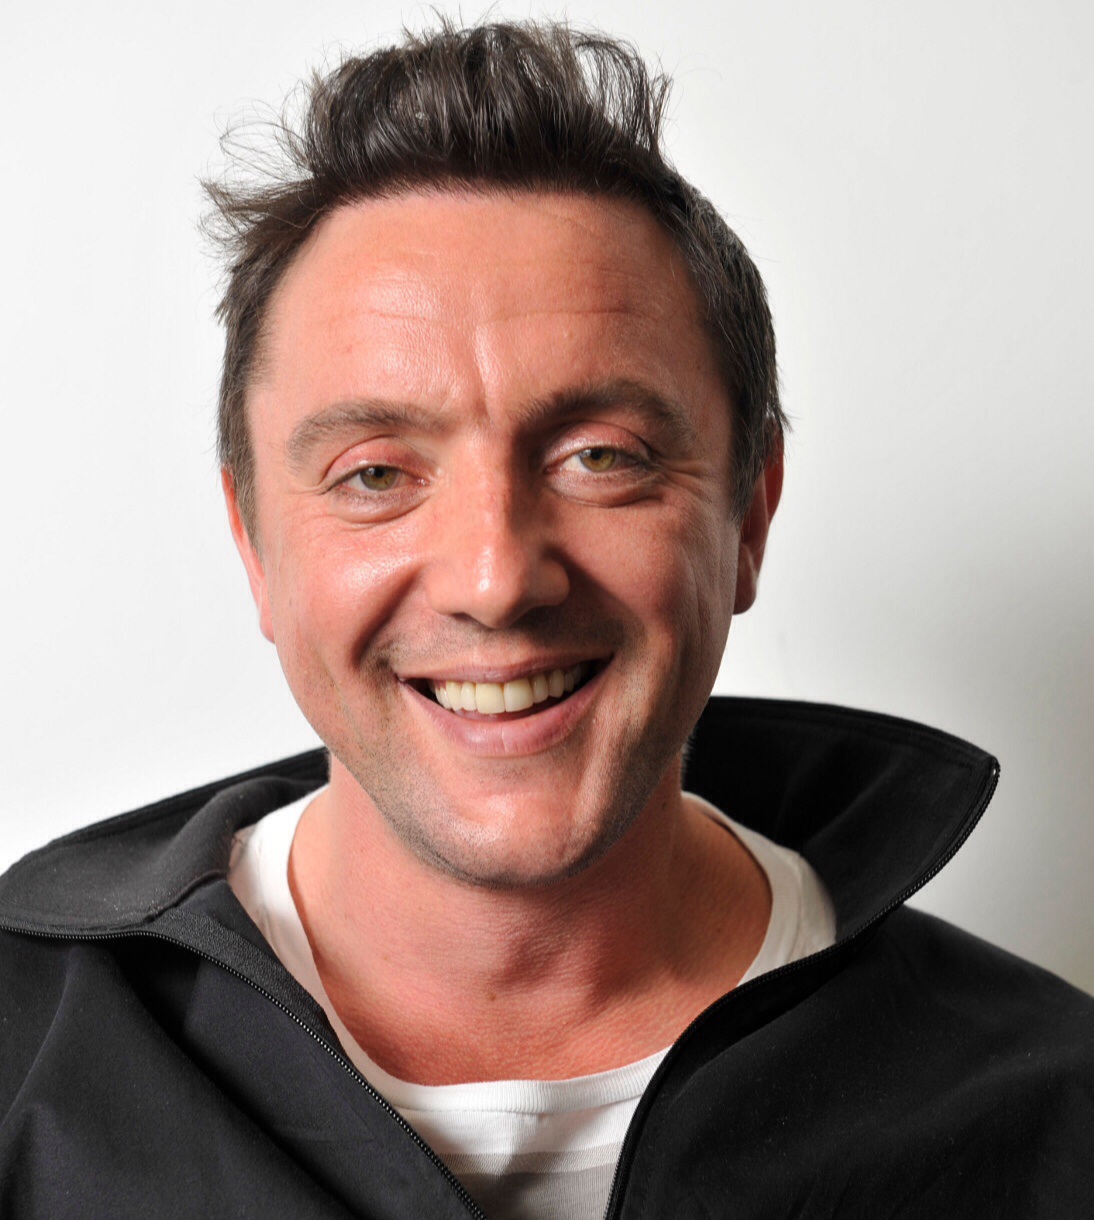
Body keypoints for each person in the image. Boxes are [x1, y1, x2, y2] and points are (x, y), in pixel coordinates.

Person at [0, 19, 1089, 1219]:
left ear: (748, 514)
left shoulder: (1057, 1117)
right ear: (254, 542)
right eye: (376, 473)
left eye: (599, 456)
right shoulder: (21, 1056)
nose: (495, 577)